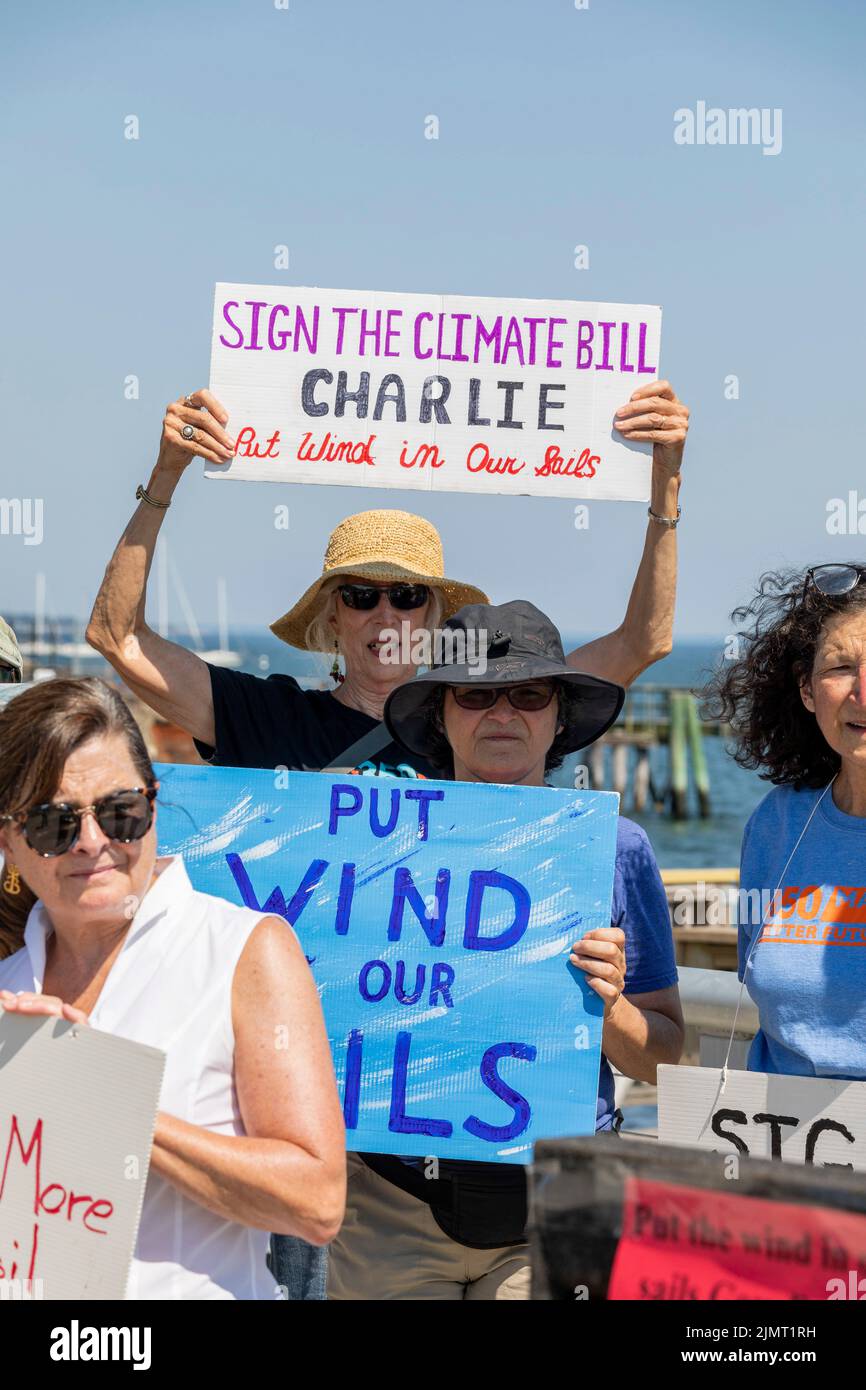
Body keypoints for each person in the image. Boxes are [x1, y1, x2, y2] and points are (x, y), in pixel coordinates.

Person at [85, 379, 690, 1296]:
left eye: (408, 595)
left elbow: (640, 641)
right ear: (330, 616)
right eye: (361, 596)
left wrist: (665, 491)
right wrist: (166, 474)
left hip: (444, 1148)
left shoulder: (480, 728)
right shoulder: (265, 720)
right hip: (293, 1116)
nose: (386, 616)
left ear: (440, 617)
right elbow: (114, 635)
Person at [323, 600, 684, 1300]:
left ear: (557, 716)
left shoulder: (617, 849)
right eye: (477, 695)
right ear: (442, 715)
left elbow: (666, 1062)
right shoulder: (374, 843)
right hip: (392, 1203)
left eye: (528, 694)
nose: (503, 713)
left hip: (554, 1198)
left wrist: (606, 1009)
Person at [0, 677, 345, 1298]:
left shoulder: (244, 950)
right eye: (53, 824)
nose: (93, 843)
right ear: (9, 841)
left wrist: (114, 1103)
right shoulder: (6, 985)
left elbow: (316, 1202)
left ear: (154, 803)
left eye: (119, 811)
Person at [704, 563, 866, 1080]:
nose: (863, 693)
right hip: (780, 1149)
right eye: (841, 668)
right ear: (806, 691)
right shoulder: (778, 822)